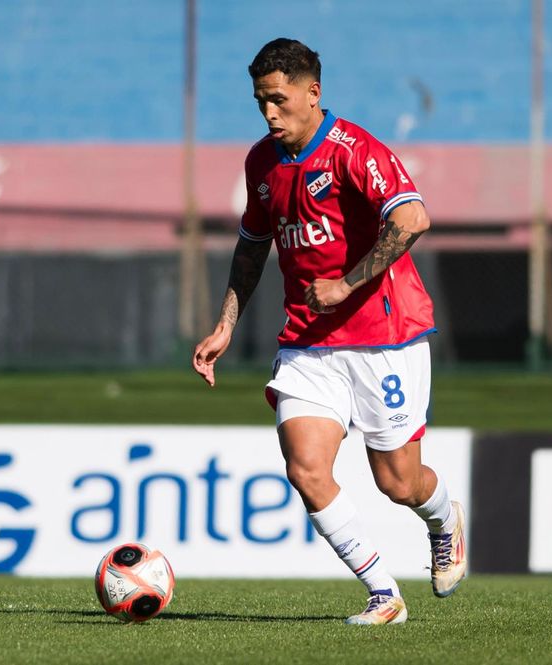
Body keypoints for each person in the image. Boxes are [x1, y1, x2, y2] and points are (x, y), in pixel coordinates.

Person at [192, 38, 466, 626]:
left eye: (278, 100)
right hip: (309, 344)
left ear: (313, 93)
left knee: (398, 482)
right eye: (260, 102)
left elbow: (412, 218)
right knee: (305, 468)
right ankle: (383, 594)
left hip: (385, 335)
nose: (269, 113)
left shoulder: (355, 150)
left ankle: (443, 520)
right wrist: (225, 325)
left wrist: (345, 285)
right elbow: (251, 248)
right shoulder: (261, 162)